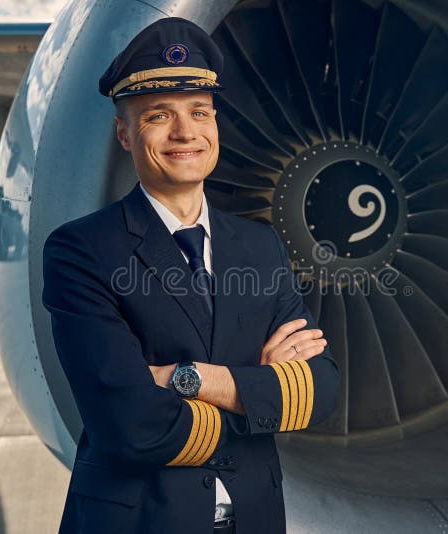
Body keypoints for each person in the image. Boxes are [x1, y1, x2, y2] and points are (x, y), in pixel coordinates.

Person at [42, 16, 340, 534]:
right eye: (159, 115)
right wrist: (263, 392)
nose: (186, 132)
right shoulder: (81, 250)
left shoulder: (260, 246)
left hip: (254, 520)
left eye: (199, 112)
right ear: (125, 134)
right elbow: (130, 425)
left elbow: (322, 389)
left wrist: (190, 379)